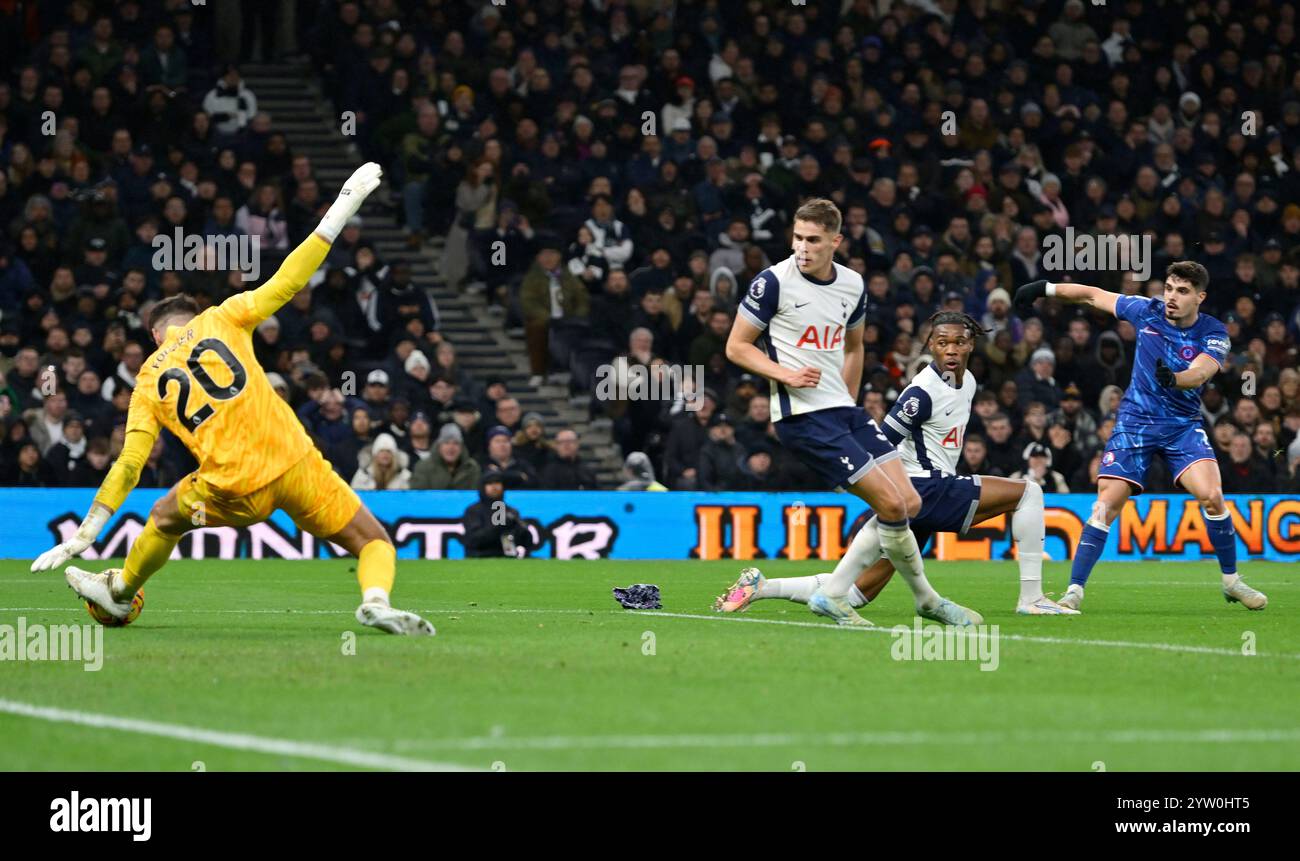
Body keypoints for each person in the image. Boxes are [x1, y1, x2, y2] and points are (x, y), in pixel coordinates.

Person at [30, 163, 435, 636]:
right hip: (295, 462)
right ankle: (375, 601)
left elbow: (130, 464)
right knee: (372, 541)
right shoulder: (223, 317)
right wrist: (344, 203)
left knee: (163, 518)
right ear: (191, 316)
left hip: (233, 490)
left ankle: (119, 593)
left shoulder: (146, 379)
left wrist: (86, 534)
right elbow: (288, 282)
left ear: (156, 332)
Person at [721, 198, 978, 627]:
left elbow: (854, 347)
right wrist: (784, 374)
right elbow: (737, 346)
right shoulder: (773, 283)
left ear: (836, 241)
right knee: (892, 506)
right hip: (802, 417)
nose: (803, 248)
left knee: (910, 502)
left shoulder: (853, 285)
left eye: (814, 240)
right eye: (798, 238)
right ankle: (925, 600)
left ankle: (833, 594)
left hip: (843, 411)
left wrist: (848, 398)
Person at [716, 312, 1075, 616]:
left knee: (857, 593)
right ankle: (1032, 598)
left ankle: (762, 586)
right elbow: (883, 440)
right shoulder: (922, 392)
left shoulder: (968, 383)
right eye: (942, 342)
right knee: (1029, 492)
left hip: (919, 496)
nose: (951, 349)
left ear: (971, 345)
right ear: (930, 346)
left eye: (960, 342)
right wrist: (878, 491)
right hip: (924, 488)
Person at [1013, 262, 1267, 611]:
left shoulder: (1214, 331)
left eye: (1182, 291)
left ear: (1200, 297)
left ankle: (1232, 582)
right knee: (1106, 505)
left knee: (1212, 496)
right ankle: (1074, 591)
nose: (1172, 297)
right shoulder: (1145, 311)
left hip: (1182, 425)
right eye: (1169, 288)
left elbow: (1201, 372)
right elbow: (1092, 295)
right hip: (1135, 423)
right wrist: (1045, 289)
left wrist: (1174, 379)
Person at [461, 474, 533, 558]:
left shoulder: (511, 511)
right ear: (483, 487)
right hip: (480, 557)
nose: (494, 486)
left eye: (497, 483)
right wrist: (500, 527)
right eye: (490, 483)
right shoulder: (473, 511)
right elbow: (474, 540)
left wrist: (522, 530)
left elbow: (524, 542)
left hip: (506, 558)